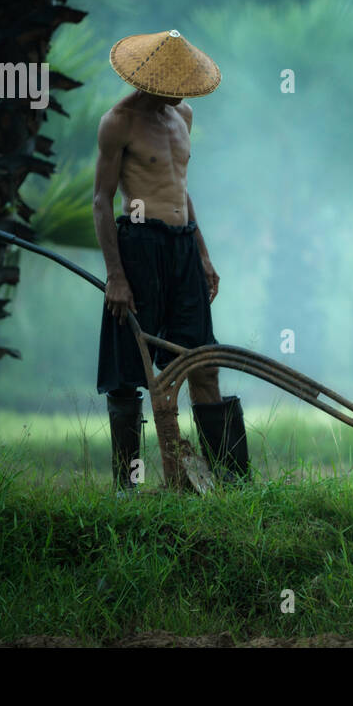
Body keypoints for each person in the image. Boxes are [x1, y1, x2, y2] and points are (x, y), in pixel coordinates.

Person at [93, 29, 247, 491]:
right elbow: (102, 200)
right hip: (139, 248)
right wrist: (116, 276)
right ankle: (127, 486)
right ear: (153, 79)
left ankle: (230, 482)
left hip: (182, 249)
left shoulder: (184, 114)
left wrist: (202, 254)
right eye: (175, 80)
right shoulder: (118, 121)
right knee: (128, 372)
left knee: (204, 361)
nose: (183, 89)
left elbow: (181, 189)